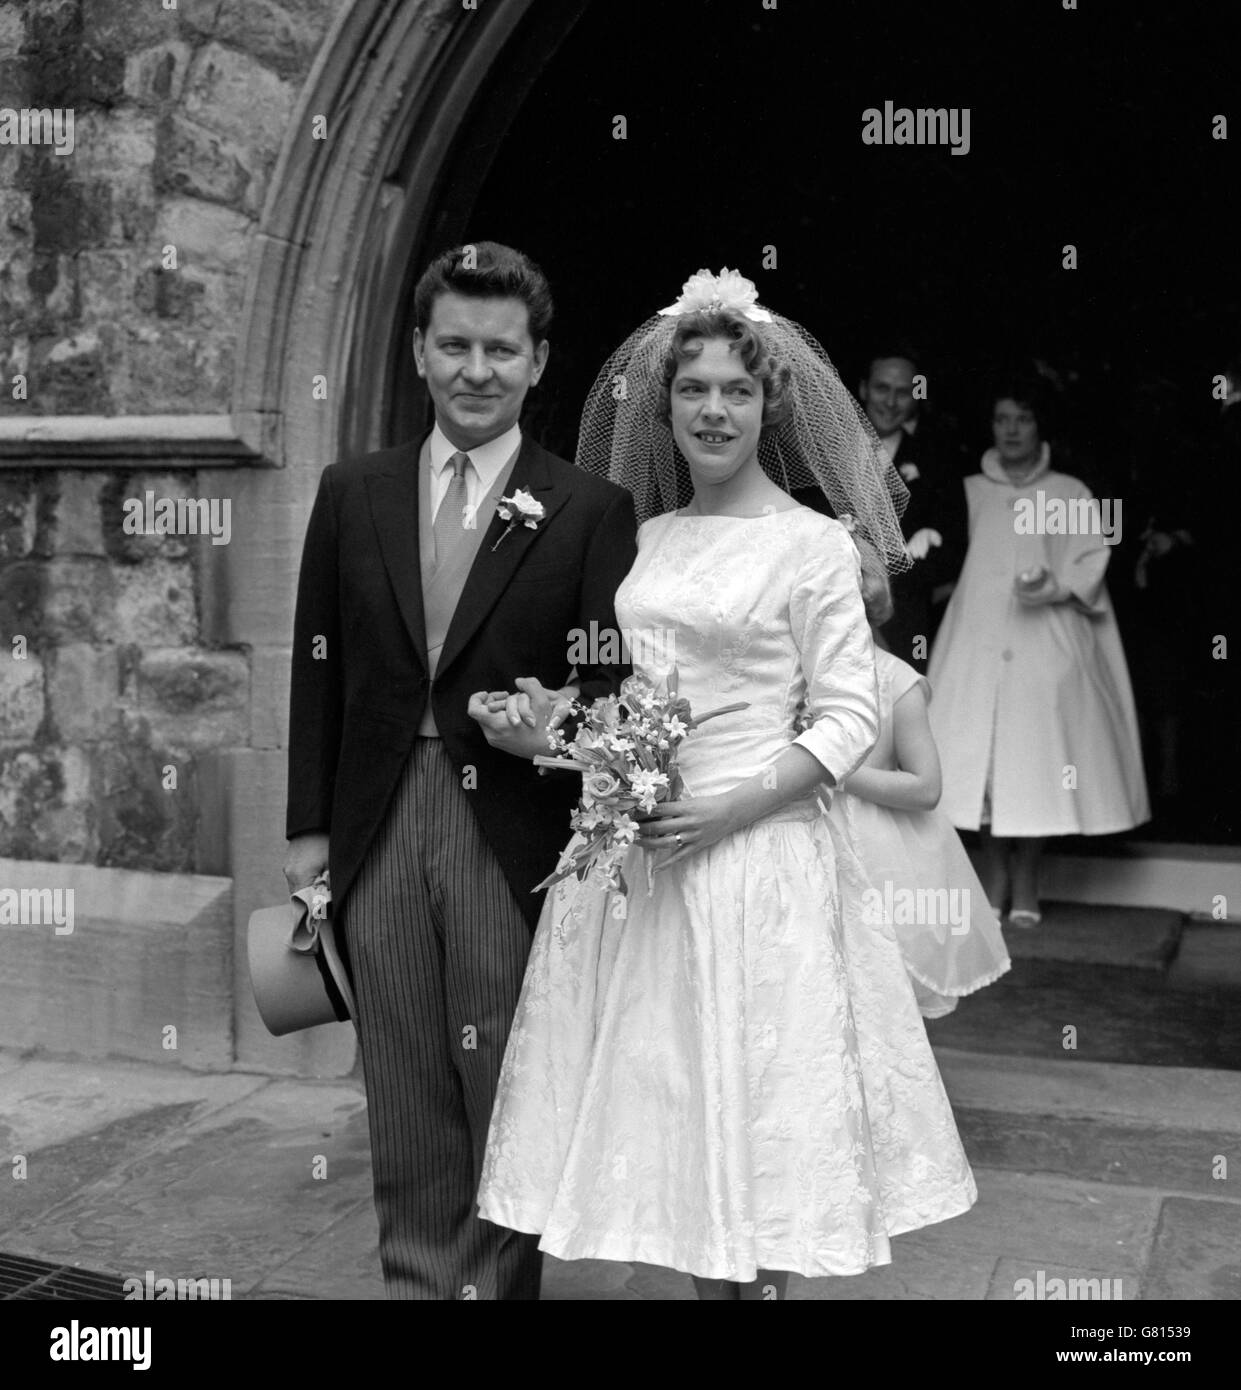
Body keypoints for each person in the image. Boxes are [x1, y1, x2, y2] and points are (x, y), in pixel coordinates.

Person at [473, 269, 977, 1300]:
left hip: (760, 859)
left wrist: (733, 806)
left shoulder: (812, 546)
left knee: (765, 1119)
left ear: (769, 405)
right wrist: (549, 731)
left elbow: (843, 714)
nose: (712, 409)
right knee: (680, 1135)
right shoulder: (641, 543)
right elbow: (628, 702)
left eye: (734, 391)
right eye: (693, 389)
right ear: (663, 407)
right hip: (646, 869)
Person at [283, 241, 637, 1300]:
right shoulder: (355, 491)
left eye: (499, 348)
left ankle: (490, 1289)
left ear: (536, 364)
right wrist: (309, 841)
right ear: (418, 354)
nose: (475, 369)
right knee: (398, 1071)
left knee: (500, 1078)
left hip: (511, 829)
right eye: (454, 346)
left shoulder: (586, 506)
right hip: (378, 820)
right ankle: (412, 1281)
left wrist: (551, 718)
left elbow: (613, 686)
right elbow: (319, 669)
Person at [926, 374, 1149, 925]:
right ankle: (992, 872)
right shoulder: (970, 490)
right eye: (1002, 420)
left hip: (1046, 647)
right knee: (975, 763)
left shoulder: (1069, 491)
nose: (1011, 431)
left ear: (1039, 425)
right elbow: (945, 562)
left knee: (1041, 766)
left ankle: (1027, 878)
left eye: (1021, 419)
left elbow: (1090, 560)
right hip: (975, 645)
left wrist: (1055, 585)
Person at [824, 542, 1010, 1017]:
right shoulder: (798, 677)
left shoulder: (895, 681)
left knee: (875, 977)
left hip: (874, 846)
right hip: (806, 833)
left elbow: (926, 788)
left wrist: (840, 773)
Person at [795, 349, 965, 671]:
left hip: (904, 623)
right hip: (825, 612)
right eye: (882, 389)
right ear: (863, 389)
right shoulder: (823, 452)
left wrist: (896, 570)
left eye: (902, 392)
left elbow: (953, 551)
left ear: (917, 395)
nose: (890, 401)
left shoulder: (936, 462)